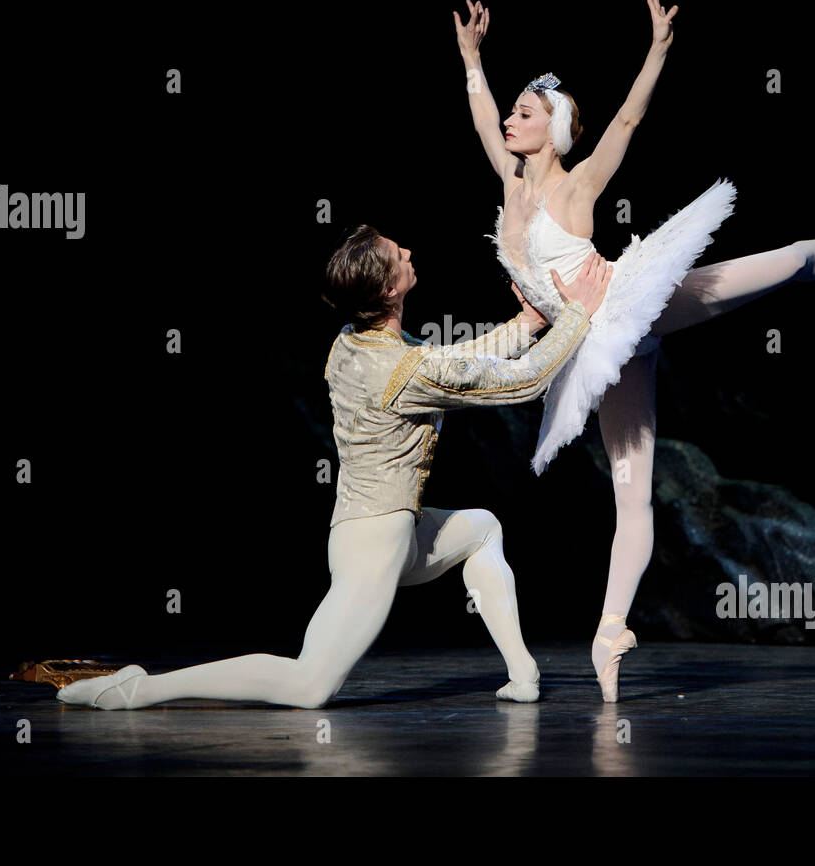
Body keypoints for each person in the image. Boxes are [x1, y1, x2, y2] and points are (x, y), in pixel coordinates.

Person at [453, 0, 815, 701]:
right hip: (597, 353)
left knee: (782, 264)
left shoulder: (576, 187)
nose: (510, 118)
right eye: (512, 109)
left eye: (525, 112)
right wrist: (471, 58)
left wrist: (658, 49)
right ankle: (610, 631)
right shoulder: (509, 184)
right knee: (633, 499)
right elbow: (480, 116)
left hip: (629, 309)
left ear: (555, 130)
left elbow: (628, 119)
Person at [57, 225, 612, 710]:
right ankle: (135, 690)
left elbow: (450, 363)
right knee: (309, 684)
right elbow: (522, 381)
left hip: (382, 530)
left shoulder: (349, 343)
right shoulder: (402, 371)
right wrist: (579, 313)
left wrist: (527, 321)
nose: (409, 251)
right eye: (400, 254)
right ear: (391, 289)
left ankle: (523, 674)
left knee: (483, 527)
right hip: (377, 543)